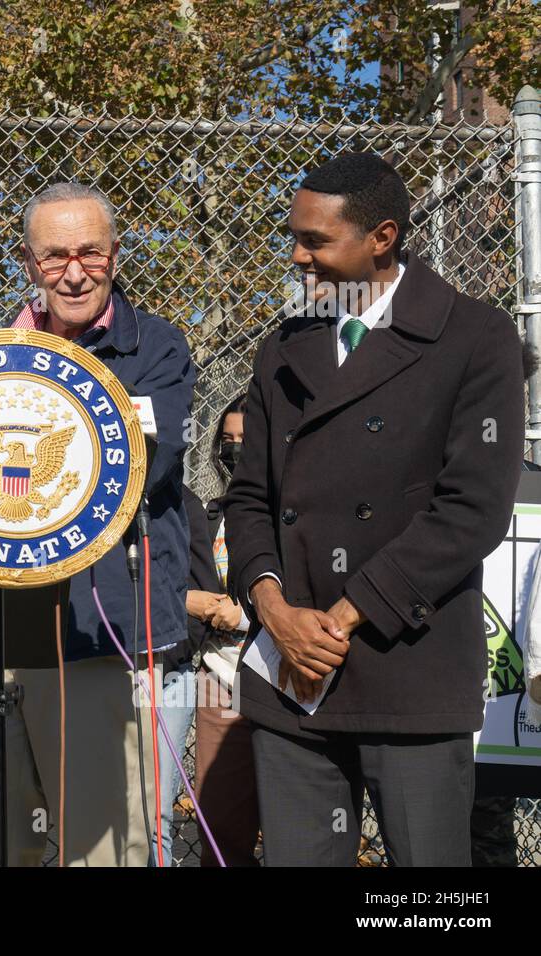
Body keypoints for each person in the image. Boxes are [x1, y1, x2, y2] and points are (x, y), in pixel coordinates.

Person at [224, 152, 525, 866]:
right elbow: (250, 498)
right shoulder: (284, 346)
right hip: (290, 679)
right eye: (294, 236)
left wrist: (342, 618)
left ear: (383, 237)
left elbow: (471, 511)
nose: (297, 255)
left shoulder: (476, 339)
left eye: (316, 241)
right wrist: (275, 613)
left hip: (408, 673)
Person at [0, 182, 195, 866]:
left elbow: (146, 461)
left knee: (104, 851)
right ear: (29, 265)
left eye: (90, 251)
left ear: (116, 255)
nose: (75, 271)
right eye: (54, 257)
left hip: (102, 637)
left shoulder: (158, 350)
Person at [185, 393, 258, 866]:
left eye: (246, 441)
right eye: (226, 441)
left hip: (287, 679)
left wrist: (247, 617)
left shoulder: (301, 514)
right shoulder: (210, 514)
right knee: (220, 832)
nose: (234, 451)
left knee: (298, 824)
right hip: (219, 682)